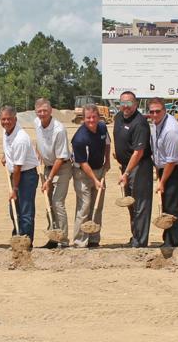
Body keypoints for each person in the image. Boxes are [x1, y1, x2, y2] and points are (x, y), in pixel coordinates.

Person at [147, 98, 178, 247]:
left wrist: (162, 182)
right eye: (151, 111)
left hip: (177, 169)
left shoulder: (171, 130)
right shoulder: (156, 124)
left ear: (164, 111)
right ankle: (168, 239)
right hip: (166, 168)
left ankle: (172, 243)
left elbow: (171, 160)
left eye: (158, 111)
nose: (154, 114)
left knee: (172, 207)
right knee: (166, 205)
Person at [113, 91, 154, 248]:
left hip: (139, 167)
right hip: (126, 167)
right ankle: (135, 236)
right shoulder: (118, 117)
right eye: (123, 103)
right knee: (131, 204)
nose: (125, 106)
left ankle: (140, 242)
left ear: (136, 104)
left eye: (129, 103)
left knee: (140, 205)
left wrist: (127, 172)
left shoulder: (140, 123)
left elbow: (138, 152)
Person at [71, 104, 110, 248]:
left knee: (97, 206)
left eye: (94, 117)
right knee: (85, 206)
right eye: (88, 118)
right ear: (83, 119)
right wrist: (95, 180)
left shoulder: (102, 127)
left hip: (99, 169)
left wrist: (107, 160)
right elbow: (83, 163)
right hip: (82, 173)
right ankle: (79, 241)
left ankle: (94, 239)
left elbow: (107, 143)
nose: (91, 120)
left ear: (99, 117)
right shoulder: (79, 138)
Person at [34, 98, 71, 249]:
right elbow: (39, 141)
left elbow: (61, 157)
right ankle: (53, 237)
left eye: (45, 111)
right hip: (47, 166)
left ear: (51, 111)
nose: (42, 114)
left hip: (62, 167)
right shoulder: (37, 123)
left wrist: (49, 180)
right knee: (48, 203)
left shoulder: (59, 129)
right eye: (39, 111)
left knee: (57, 203)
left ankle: (63, 239)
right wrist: (38, 152)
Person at [2, 106, 40, 247]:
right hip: (16, 174)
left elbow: (18, 168)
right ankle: (17, 236)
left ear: (15, 119)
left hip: (26, 176)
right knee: (14, 209)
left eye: (9, 119)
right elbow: (8, 147)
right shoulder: (6, 131)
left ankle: (26, 241)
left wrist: (15, 188)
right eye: (3, 119)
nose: (6, 122)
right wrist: (6, 156)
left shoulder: (21, 139)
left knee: (25, 211)